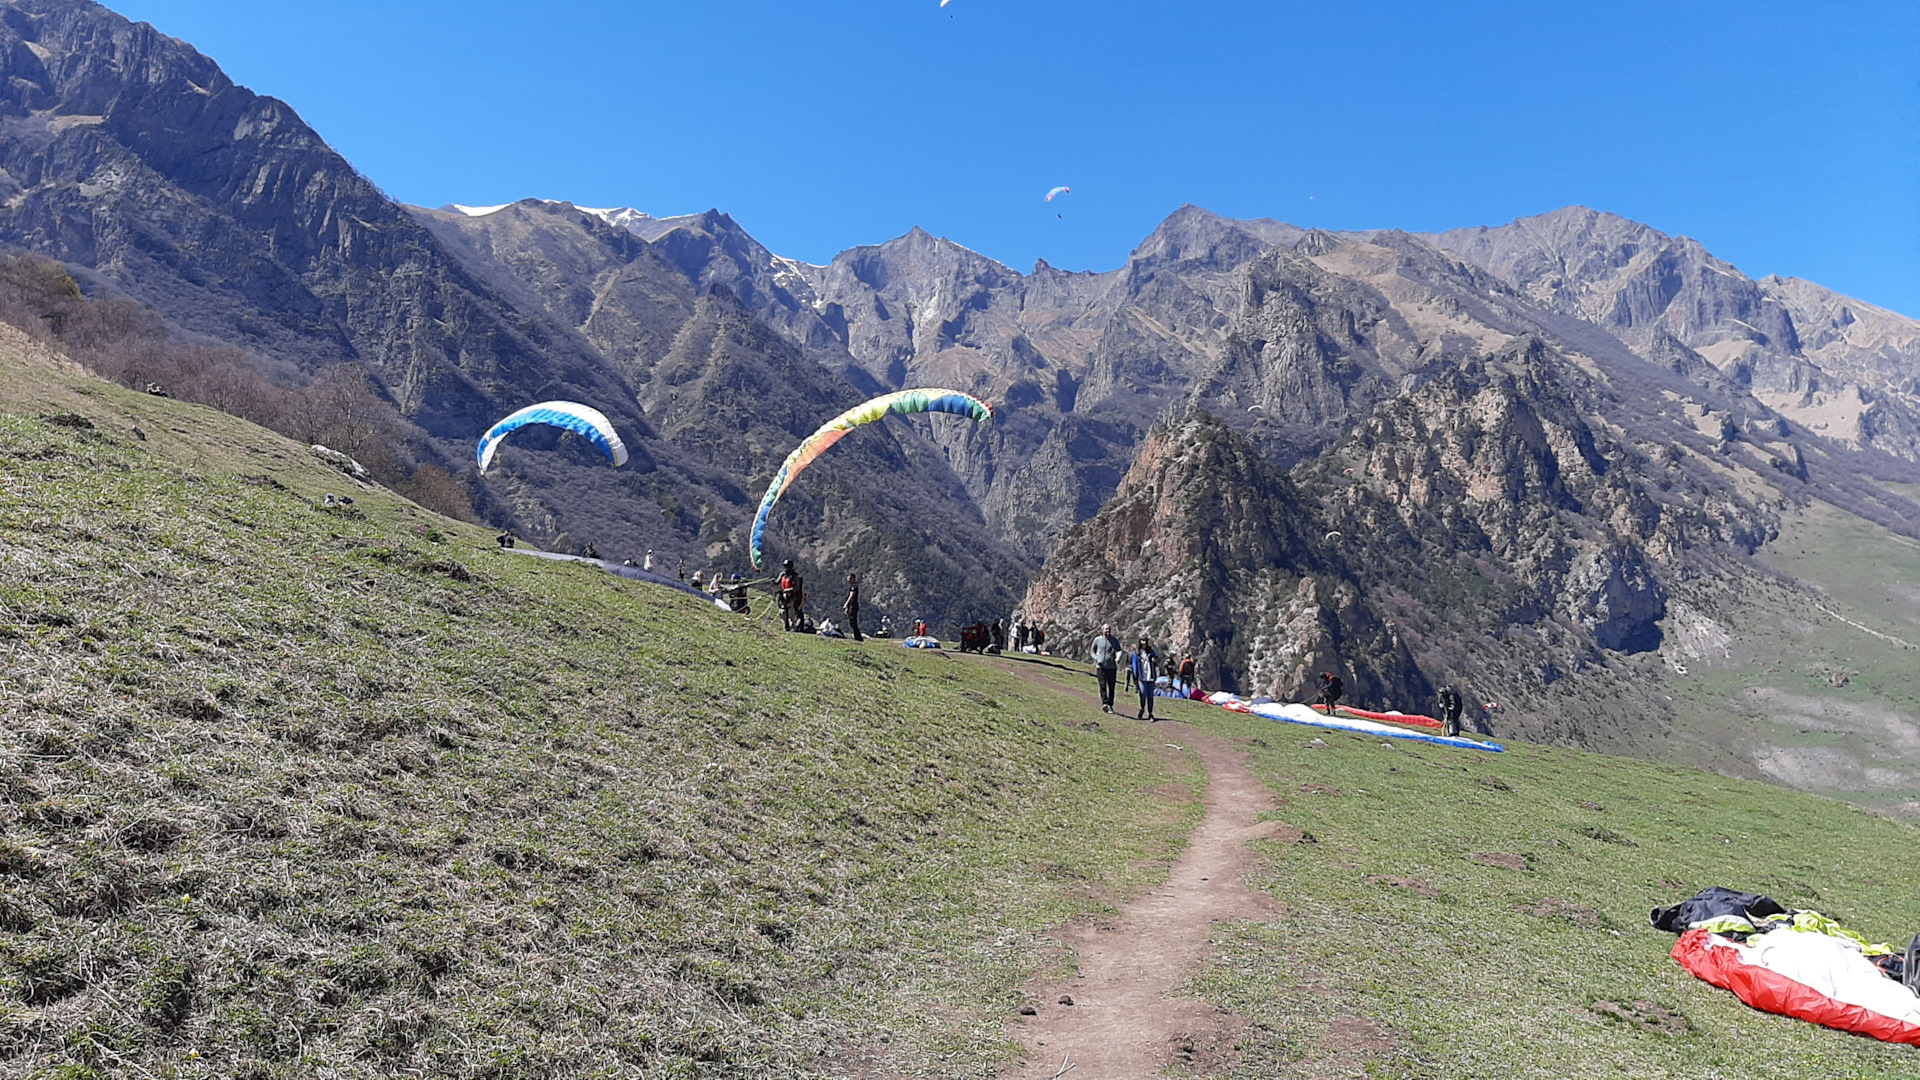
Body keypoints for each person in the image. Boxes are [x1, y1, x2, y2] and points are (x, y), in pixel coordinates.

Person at [1089, 624, 1121, 713]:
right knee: (1102, 685)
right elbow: (1092, 651)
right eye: (1106, 629)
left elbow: (1119, 650)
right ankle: (1105, 703)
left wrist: (1117, 658)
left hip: (1111, 667)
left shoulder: (1114, 640)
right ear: (1102, 630)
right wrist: (1096, 658)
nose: (1108, 631)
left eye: (1109, 629)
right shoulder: (1097, 640)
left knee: (1111, 686)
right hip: (1100, 667)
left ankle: (1110, 704)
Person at [1129, 638, 1160, 721]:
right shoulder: (1137, 653)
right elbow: (1134, 665)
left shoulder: (1150, 651)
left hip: (1150, 677)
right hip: (1141, 677)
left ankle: (1150, 713)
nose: (1144, 643)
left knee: (1150, 696)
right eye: (1142, 642)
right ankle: (1142, 708)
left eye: (1145, 641)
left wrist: (1154, 660)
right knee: (1143, 694)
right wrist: (1135, 677)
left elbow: (1156, 659)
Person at [777, 559, 805, 632]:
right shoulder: (782, 574)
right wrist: (773, 582)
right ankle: (785, 627)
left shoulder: (795, 576)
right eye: (785, 566)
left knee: (791, 614)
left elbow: (797, 587)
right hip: (783, 597)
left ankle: (792, 628)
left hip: (791, 598)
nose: (786, 568)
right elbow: (777, 582)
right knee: (783, 613)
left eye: (787, 567)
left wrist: (788, 590)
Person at [843, 573, 864, 642]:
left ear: (853, 579)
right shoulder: (851, 586)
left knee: (853, 622)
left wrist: (846, 604)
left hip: (853, 606)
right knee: (852, 622)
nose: (848, 580)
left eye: (849, 579)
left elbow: (851, 596)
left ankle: (858, 637)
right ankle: (857, 636)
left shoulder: (854, 587)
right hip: (851, 606)